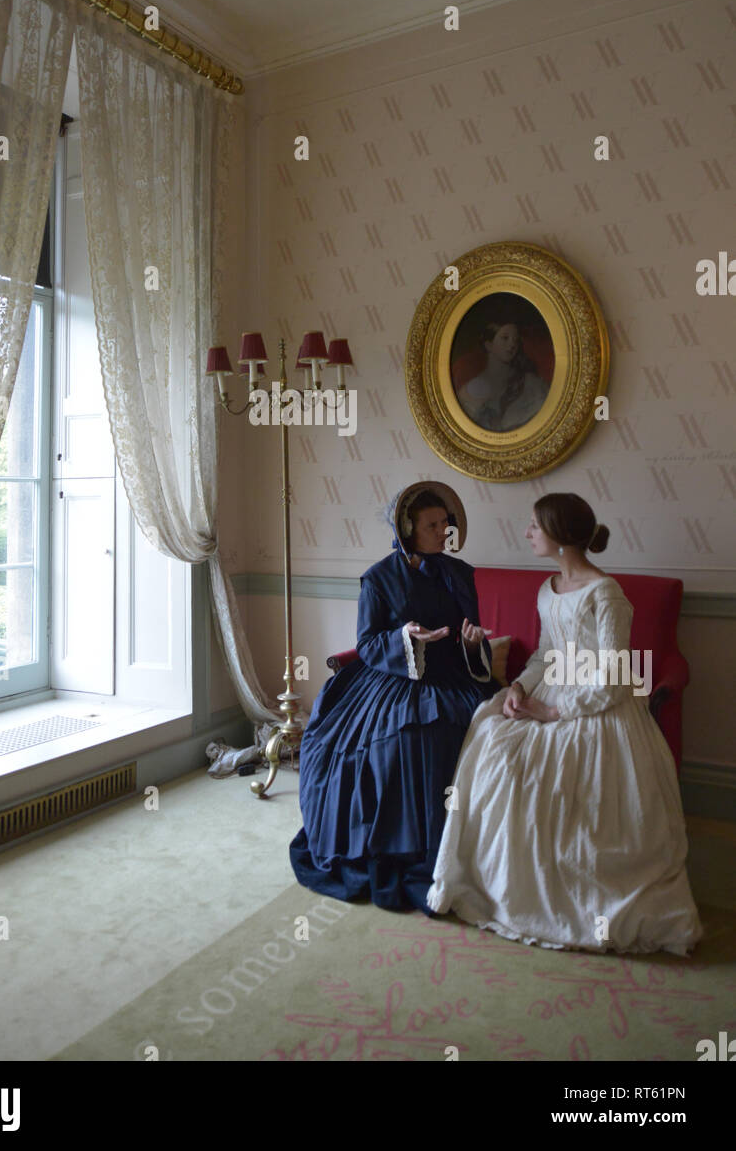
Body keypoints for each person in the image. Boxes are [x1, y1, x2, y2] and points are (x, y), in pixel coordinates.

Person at [426, 492, 703, 956]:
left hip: (598, 704)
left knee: (561, 769)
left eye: (534, 525)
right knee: (492, 730)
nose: (528, 533)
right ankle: (502, 882)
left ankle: (578, 891)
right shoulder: (547, 588)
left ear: (556, 532)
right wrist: (519, 688)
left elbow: (616, 674)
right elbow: (545, 655)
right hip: (551, 689)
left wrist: (555, 712)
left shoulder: (605, 593)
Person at [289, 481, 493, 912]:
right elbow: (366, 643)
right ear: (406, 529)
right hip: (392, 676)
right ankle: (406, 848)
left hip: (451, 675)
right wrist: (406, 637)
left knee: (458, 728)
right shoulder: (379, 578)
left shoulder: (458, 573)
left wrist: (472, 645)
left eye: (445, 523)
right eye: (432, 525)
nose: (443, 532)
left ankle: (465, 850)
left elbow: (469, 634)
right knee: (403, 738)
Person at [456, 320, 549, 432]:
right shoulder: (468, 391)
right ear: (489, 345)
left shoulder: (532, 385)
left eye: (516, 340)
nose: (512, 344)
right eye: (505, 338)